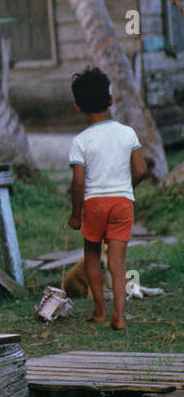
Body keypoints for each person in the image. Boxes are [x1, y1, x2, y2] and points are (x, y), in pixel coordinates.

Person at [67, 66, 148, 330]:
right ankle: (120, 316)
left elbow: (78, 183)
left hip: (93, 204)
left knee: (92, 255)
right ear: (110, 100)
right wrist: (126, 187)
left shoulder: (80, 141)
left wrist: (75, 214)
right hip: (122, 203)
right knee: (118, 261)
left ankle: (100, 311)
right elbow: (141, 170)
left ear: (77, 107)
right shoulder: (127, 133)